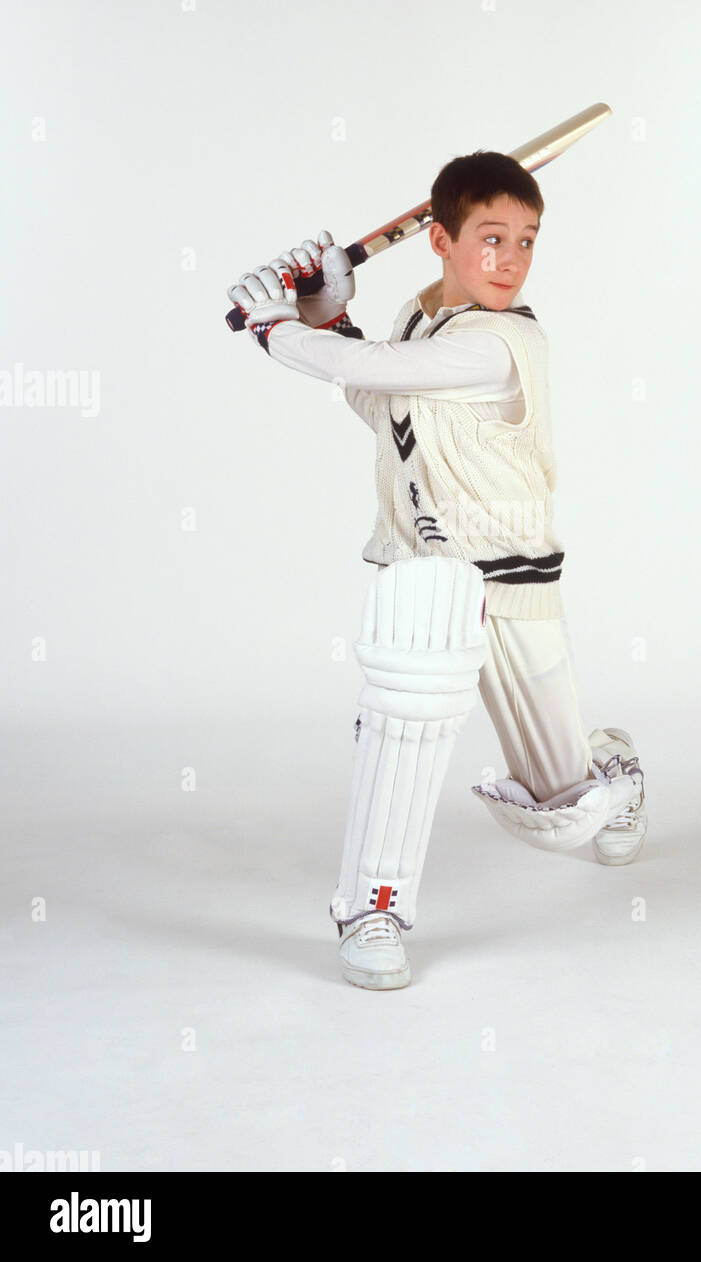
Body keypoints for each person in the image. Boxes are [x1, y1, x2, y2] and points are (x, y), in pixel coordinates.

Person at [227, 151, 647, 990]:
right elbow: (379, 400)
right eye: (489, 239)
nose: (509, 260)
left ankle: (610, 773)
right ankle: (371, 907)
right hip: (424, 566)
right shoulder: (426, 328)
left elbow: (366, 371)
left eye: (525, 241)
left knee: (558, 816)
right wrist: (332, 317)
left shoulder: (502, 343)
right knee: (402, 718)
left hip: (514, 578)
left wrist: (286, 327)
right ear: (441, 241)